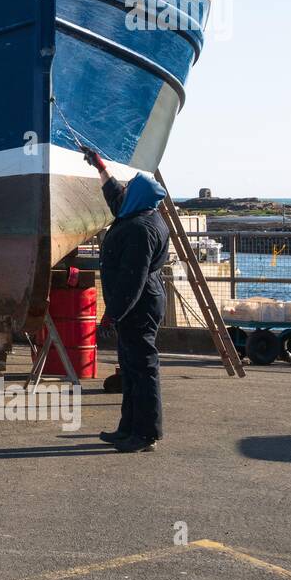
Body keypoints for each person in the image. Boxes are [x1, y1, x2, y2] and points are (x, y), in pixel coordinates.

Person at [82, 147, 169, 453]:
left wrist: (112, 315)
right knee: (130, 366)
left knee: (143, 368)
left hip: (139, 305)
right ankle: (128, 428)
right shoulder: (137, 212)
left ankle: (146, 434)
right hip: (137, 304)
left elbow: (134, 278)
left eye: (131, 186)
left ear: (139, 195)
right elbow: (117, 195)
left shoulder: (141, 229)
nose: (126, 188)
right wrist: (100, 166)